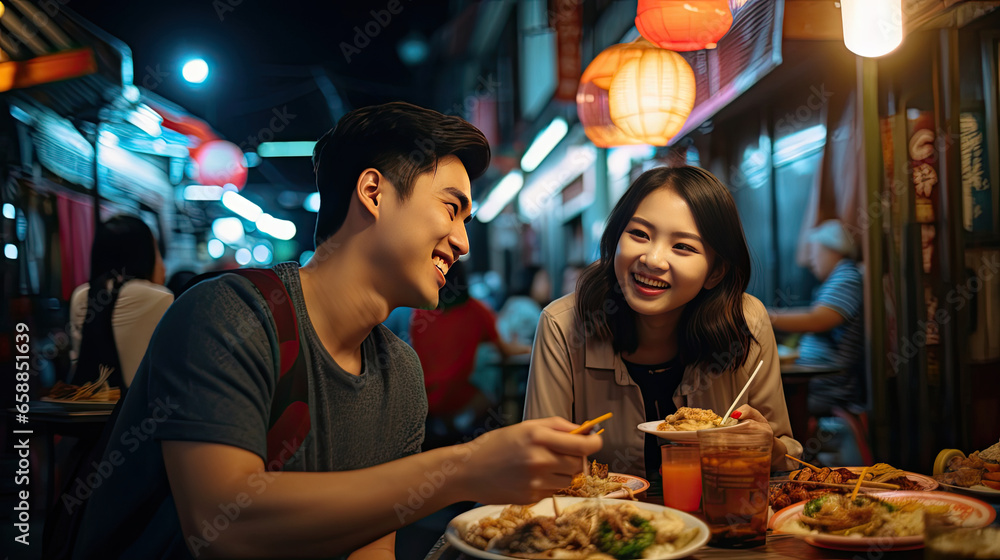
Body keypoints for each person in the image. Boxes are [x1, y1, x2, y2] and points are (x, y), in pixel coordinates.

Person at [70, 102, 601, 560]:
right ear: (374, 192)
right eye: (450, 207)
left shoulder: (399, 370)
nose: (462, 242)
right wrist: (462, 468)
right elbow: (222, 526)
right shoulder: (229, 313)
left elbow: (371, 546)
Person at [523, 166, 802, 480]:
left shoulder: (747, 320)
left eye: (683, 246)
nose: (652, 259)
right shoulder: (562, 325)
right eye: (639, 234)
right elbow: (539, 464)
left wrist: (768, 447)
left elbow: (786, 456)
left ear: (715, 272)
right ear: (616, 239)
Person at [410, 260, 529, 448]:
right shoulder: (476, 310)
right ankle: (465, 433)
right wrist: (532, 347)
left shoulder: (420, 314)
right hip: (457, 396)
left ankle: (449, 429)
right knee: (492, 397)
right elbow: (506, 350)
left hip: (422, 398)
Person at [768, 219, 865, 416]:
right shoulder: (836, 279)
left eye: (814, 252)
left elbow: (819, 319)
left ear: (833, 249)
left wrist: (765, 316)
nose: (810, 260)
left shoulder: (846, 276)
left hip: (829, 390)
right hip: (817, 384)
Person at [69, 215, 173, 389]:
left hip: (89, 407)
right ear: (144, 256)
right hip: (141, 411)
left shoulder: (81, 295)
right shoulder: (161, 298)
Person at [496, 265, 551, 346]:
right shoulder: (529, 307)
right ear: (530, 281)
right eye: (543, 281)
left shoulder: (514, 301)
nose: (548, 286)